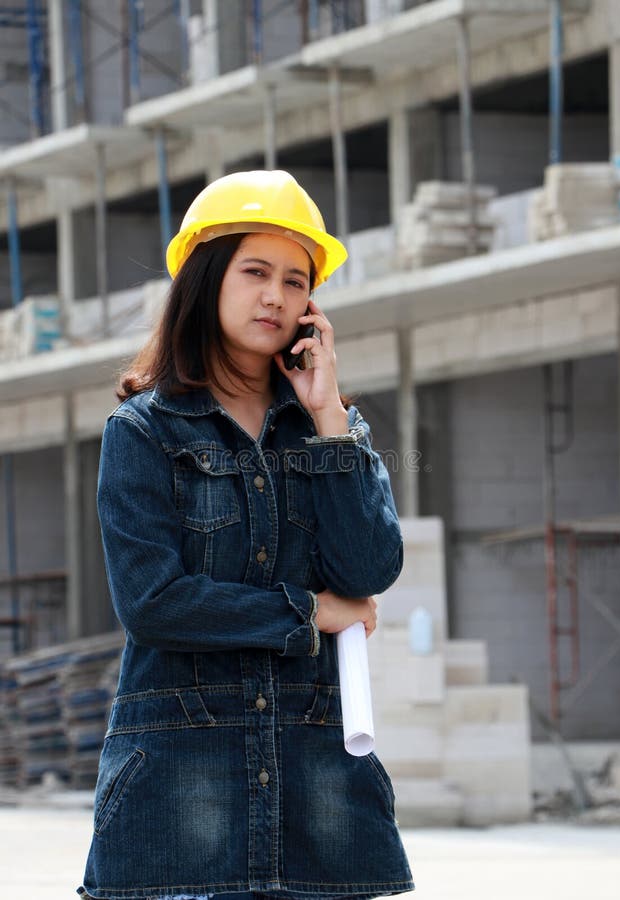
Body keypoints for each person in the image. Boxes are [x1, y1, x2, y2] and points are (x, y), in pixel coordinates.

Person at [78, 170, 414, 900]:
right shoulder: (143, 433)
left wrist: (327, 416)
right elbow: (155, 603)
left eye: (296, 281)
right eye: (255, 272)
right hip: (178, 801)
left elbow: (368, 568)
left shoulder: (333, 434)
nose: (275, 296)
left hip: (318, 793)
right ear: (206, 279)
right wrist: (307, 613)